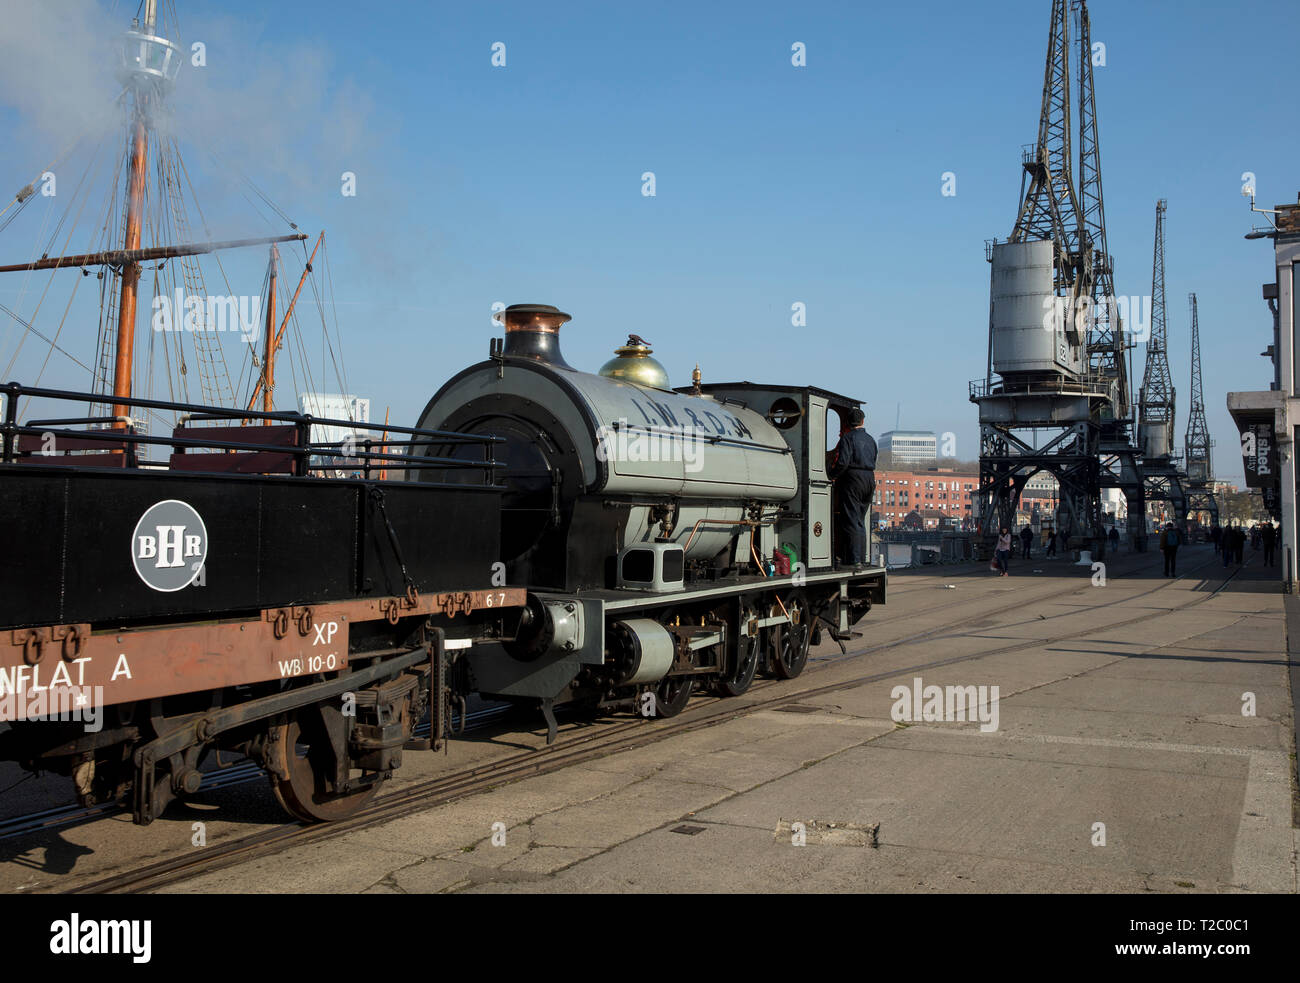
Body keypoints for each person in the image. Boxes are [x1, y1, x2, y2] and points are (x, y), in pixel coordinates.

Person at [828, 407, 876, 572]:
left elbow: (842, 462)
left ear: (848, 423)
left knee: (851, 520)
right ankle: (861, 558)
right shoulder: (871, 440)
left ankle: (854, 560)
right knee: (860, 520)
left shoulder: (847, 439)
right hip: (869, 479)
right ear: (863, 421)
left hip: (853, 480)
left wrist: (831, 475)